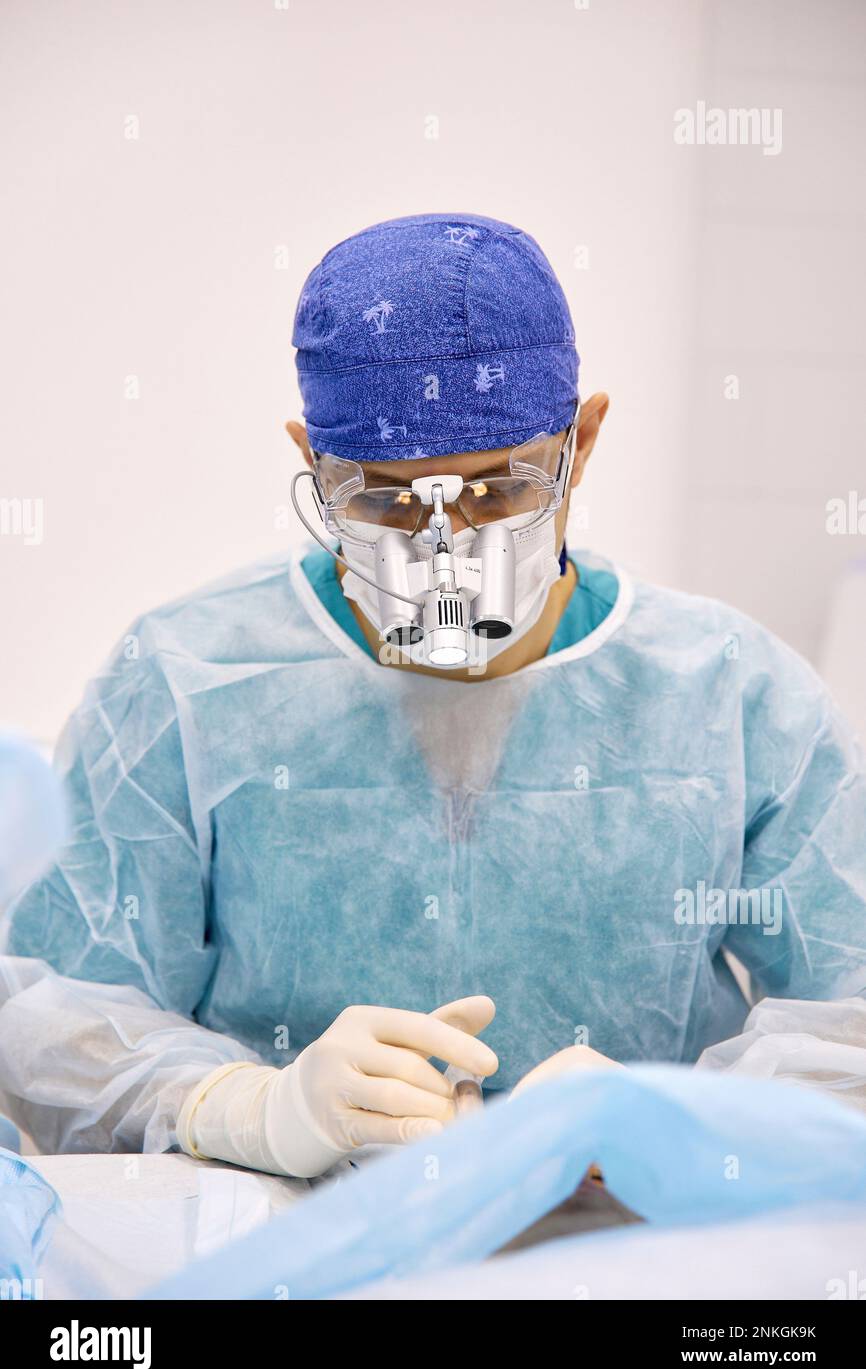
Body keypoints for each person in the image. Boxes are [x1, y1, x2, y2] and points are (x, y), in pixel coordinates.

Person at [1, 213, 864, 1178]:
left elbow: (853, 1023)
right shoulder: (183, 683)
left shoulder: (734, 700)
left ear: (582, 443)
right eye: (385, 498)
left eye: (497, 492)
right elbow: (59, 1016)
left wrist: (672, 1123)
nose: (446, 556)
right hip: (286, 1246)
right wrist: (248, 1110)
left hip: (622, 1245)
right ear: (312, 464)